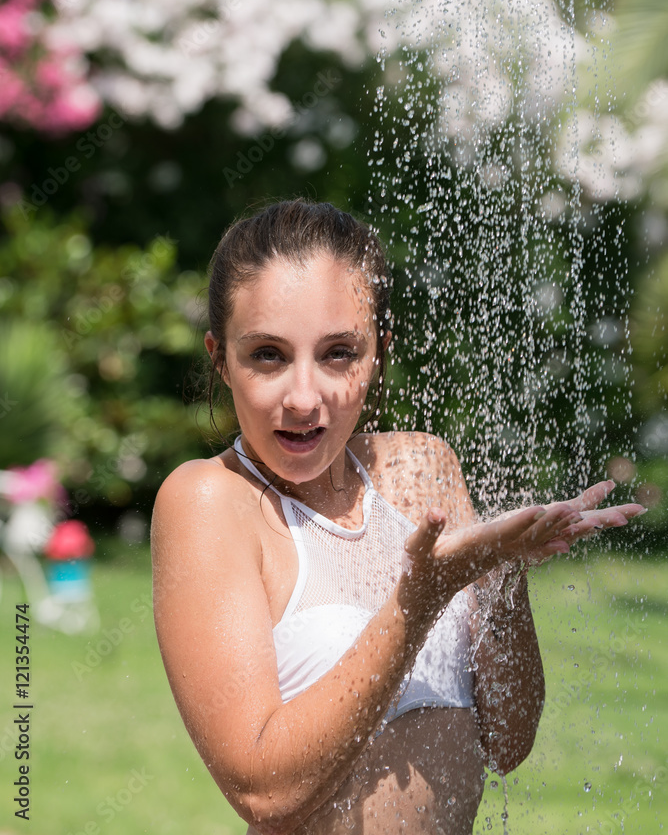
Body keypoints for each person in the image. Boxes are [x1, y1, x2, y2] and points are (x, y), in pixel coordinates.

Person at [151, 199, 644, 835]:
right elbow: (264, 789)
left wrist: (498, 574)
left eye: (338, 354)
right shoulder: (210, 500)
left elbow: (507, 740)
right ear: (221, 358)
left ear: (378, 352)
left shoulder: (422, 470)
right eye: (269, 355)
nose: (304, 398)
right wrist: (418, 603)